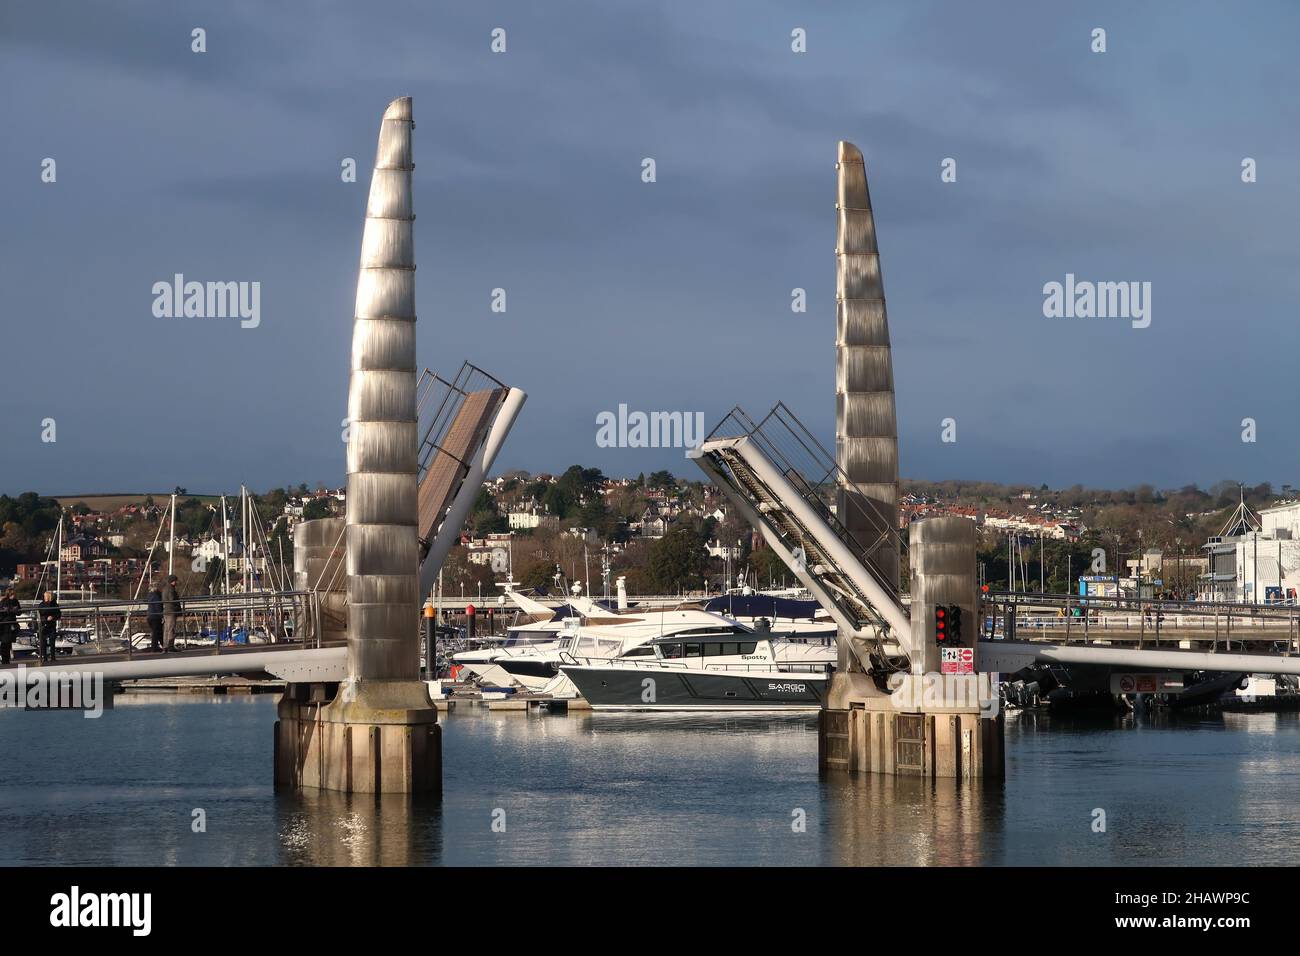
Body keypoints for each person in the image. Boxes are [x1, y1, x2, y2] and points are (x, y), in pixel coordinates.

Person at [161, 574, 183, 652]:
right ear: (173, 581)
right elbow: (172, 600)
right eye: (175, 581)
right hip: (171, 611)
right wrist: (177, 607)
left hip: (166, 611)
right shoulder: (171, 589)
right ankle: (170, 646)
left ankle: (165, 646)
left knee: (166, 629)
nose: (176, 582)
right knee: (171, 629)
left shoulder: (165, 589)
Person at [38, 590, 60, 664]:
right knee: (43, 642)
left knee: (52, 641)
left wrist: (53, 617)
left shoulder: (55, 604)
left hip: (52, 625)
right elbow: (39, 614)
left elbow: (58, 614)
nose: (45, 597)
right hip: (44, 625)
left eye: (46, 596)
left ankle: (53, 657)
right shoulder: (41, 604)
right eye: (44, 596)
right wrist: (46, 618)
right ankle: (44, 657)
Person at [0, 589, 19, 665]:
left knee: (8, 643)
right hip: (4, 625)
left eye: (14, 594)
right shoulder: (3, 601)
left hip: (11, 624)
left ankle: (6, 660)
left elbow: (19, 612)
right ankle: (5, 660)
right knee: (5, 643)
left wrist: (15, 610)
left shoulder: (15, 601)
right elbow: (1, 612)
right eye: (12, 594)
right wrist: (8, 610)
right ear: (9, 594)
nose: (13, 595)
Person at [146, 583, 164, 652]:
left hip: (150, 616)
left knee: (157, 632)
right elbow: (158, 607)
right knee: (157, 632)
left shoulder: (149, 595)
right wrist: (162, 616)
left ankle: (161, 645)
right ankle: (154, 648)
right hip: (155, 616)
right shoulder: (156, 596)